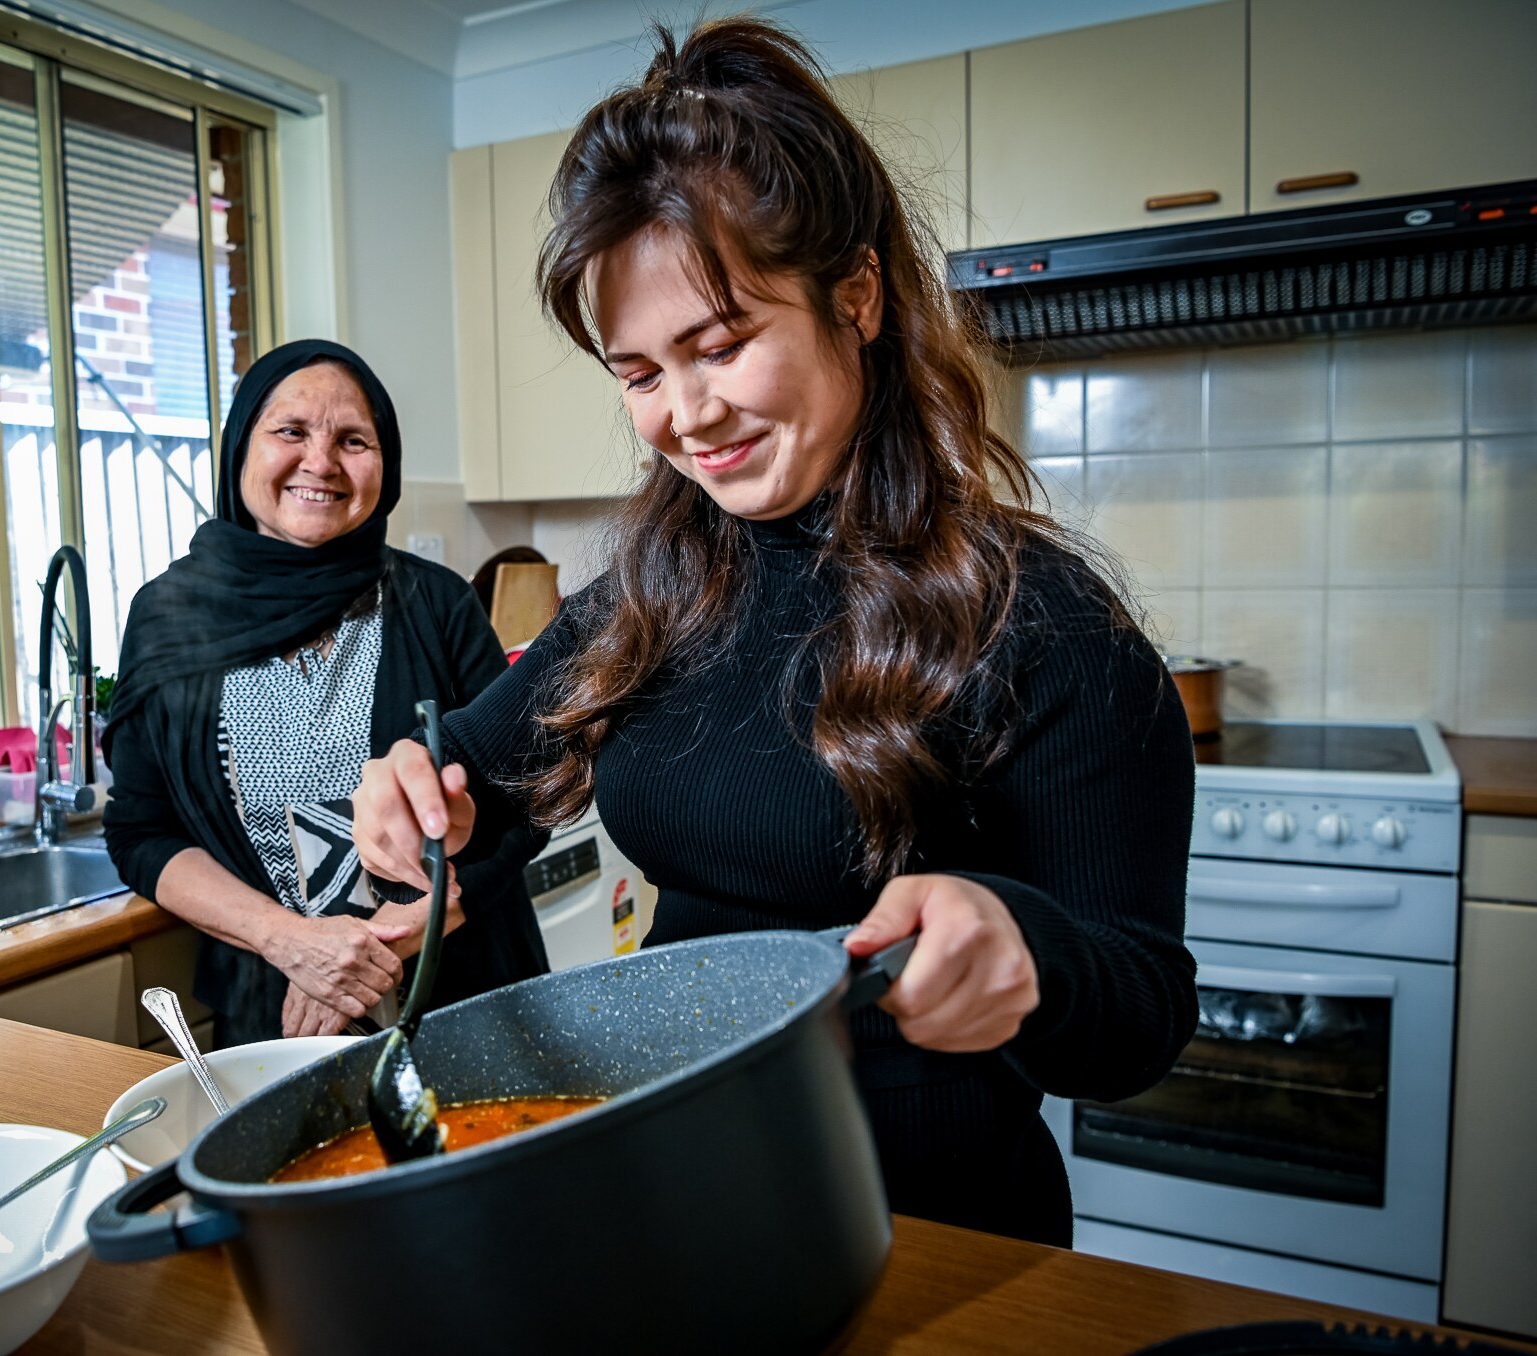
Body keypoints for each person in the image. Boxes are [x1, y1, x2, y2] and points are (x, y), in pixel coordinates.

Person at [350, 21, 1197, 1245]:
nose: (685, 416)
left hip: (931, 1238)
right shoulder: (654, 589)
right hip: (680, 1192)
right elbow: (477, 768)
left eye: (721, 344)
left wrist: (1032, 953)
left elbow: (1141, 1013)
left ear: (853, 298)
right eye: (638, 373)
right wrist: (425, 792)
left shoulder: (1044, 623)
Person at [102, 339, 548, 1049]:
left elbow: (526, 795)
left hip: (463, 995)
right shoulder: (167, 619)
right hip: (276, 1011)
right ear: (241, 447)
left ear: (385, 463)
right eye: (290, 431)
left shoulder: (435, 603)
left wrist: (383, 946)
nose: (321, 462)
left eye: (353, 440)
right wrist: (292, 944)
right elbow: (141, 832)